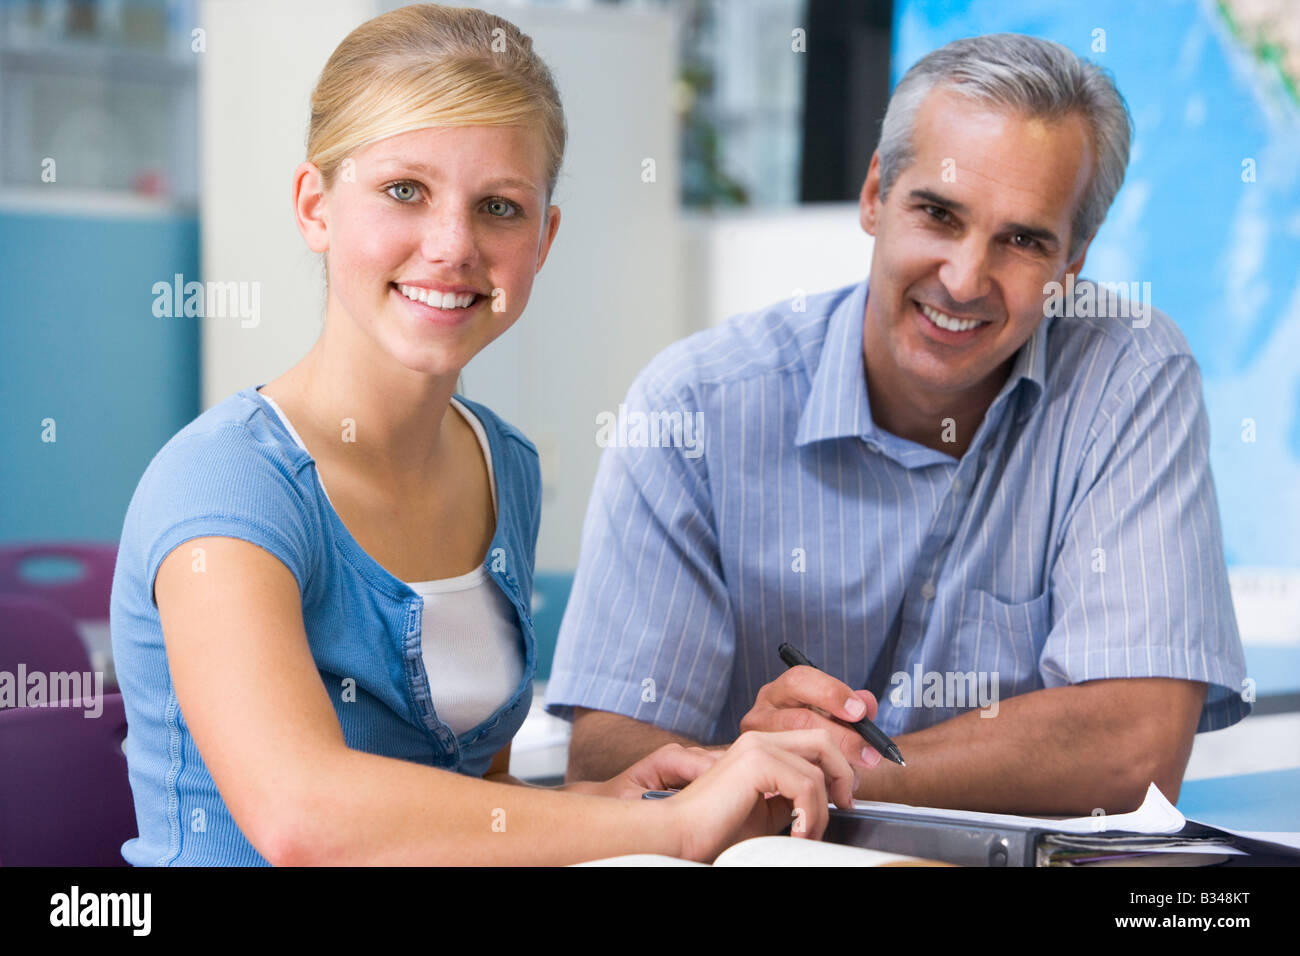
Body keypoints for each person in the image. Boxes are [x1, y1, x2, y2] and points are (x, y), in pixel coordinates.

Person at [109, 3, 856, 867]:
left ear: (543, 239)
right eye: (404, 191)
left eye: (500, 207)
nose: (453, 245)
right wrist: (664, 827)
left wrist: (603, 802)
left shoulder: (502, 466)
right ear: (315, 206)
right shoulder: (226, 483)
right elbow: (303, 817)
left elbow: (459, 809)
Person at [546, 33, 1251, 816]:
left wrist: (830, 765)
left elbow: (1134, 750)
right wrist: (760, 771)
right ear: (876, 195)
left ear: (1073, 262)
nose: (964, 279)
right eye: (939, 214)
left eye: (1023, 240)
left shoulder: (1130, 378)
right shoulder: (694, 407)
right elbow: (609, 761)